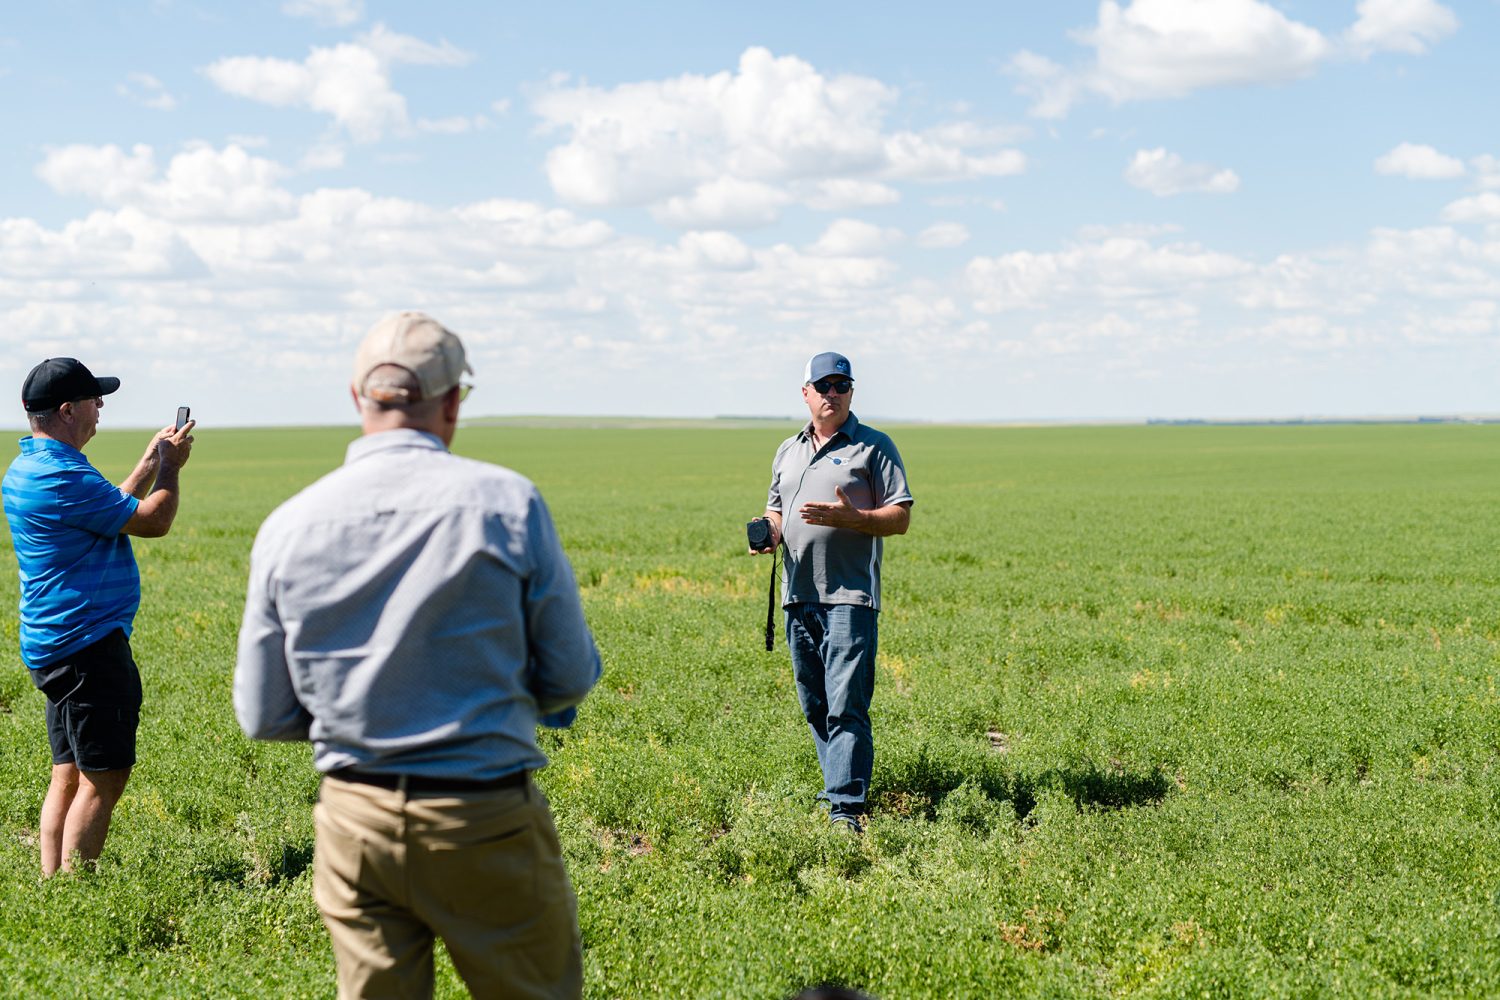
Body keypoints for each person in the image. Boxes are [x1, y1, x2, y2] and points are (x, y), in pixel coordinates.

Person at [234, 311, 601, 999]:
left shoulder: (289, 525)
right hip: (484, 814)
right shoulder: (507, 504)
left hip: (354, 818)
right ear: (453, 401)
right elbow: (568, 676)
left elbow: (262, 713)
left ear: (356, 397)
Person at [2, 358, 195, 876]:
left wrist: (150, 461)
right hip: (88, 646)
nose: (101, 405)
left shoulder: (30, 468)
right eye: (93, 399)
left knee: (67, 774)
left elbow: (108, 509)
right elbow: (152, 521)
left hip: (55, 644)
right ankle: (75, 891)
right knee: (104, 778)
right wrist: (172, 468)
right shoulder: (63, 475)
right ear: (67, 410)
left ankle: (53, 886)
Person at [751, 352, 913, 833]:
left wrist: (855, 519)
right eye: (823, 385)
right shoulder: (788, 449)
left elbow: (900, 516)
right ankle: (838, 787)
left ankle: (846, 808)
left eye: (842, 385)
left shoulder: (874, 446)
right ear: (806, 393)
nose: (833, 393)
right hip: (797, 594)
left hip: (850, 596)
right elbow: (776, 508)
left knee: (846, 704)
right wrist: (769, 530)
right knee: (816, 704)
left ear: (851, 392)